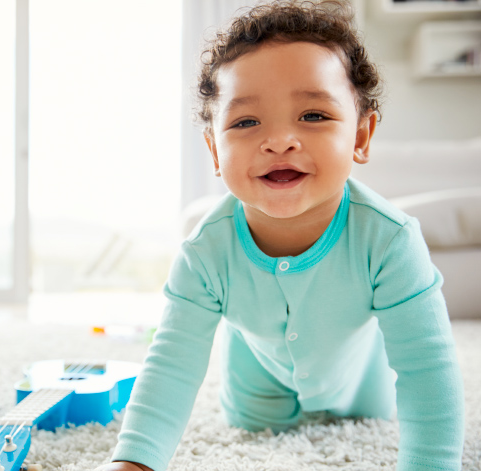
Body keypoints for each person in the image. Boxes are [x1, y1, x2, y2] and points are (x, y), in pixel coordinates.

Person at [96, 1, 465, 470]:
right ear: (214, 149)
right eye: (246, 122)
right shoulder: (205, 251)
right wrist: (134, 461)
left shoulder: (390, 240)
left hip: (362, 390)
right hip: (255, 398)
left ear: (361, 137)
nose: (279, 141)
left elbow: (427, 368)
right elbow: (172, 363)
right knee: (254, 424)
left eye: (313, 115)